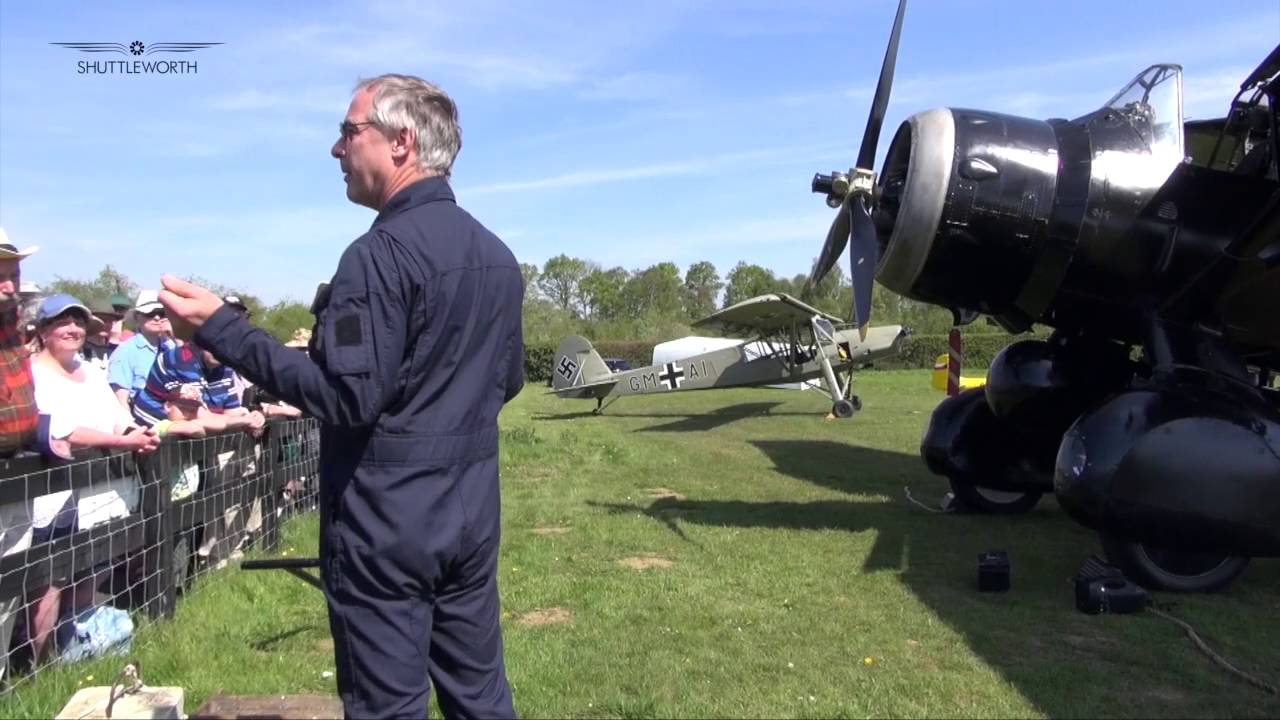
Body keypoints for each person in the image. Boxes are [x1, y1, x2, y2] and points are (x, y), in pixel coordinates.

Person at [161, 73, 525, 718]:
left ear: (401, 142)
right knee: (480, 693)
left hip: (387, 522)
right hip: (471, 508)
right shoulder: (495, 256)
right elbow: (509, 380)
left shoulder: (379, 256)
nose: (336, 150)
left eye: (348, 131)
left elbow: (348, 399)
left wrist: (225, 331)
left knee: (388, 705)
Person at [107, 290, 173, 408]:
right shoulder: (125, 352)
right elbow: (121, 401)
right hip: (141, 417)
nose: (157, 317)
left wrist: (173, 335)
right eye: (150, 313)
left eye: (161, 313)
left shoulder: (171, 347)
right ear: (137, 317)